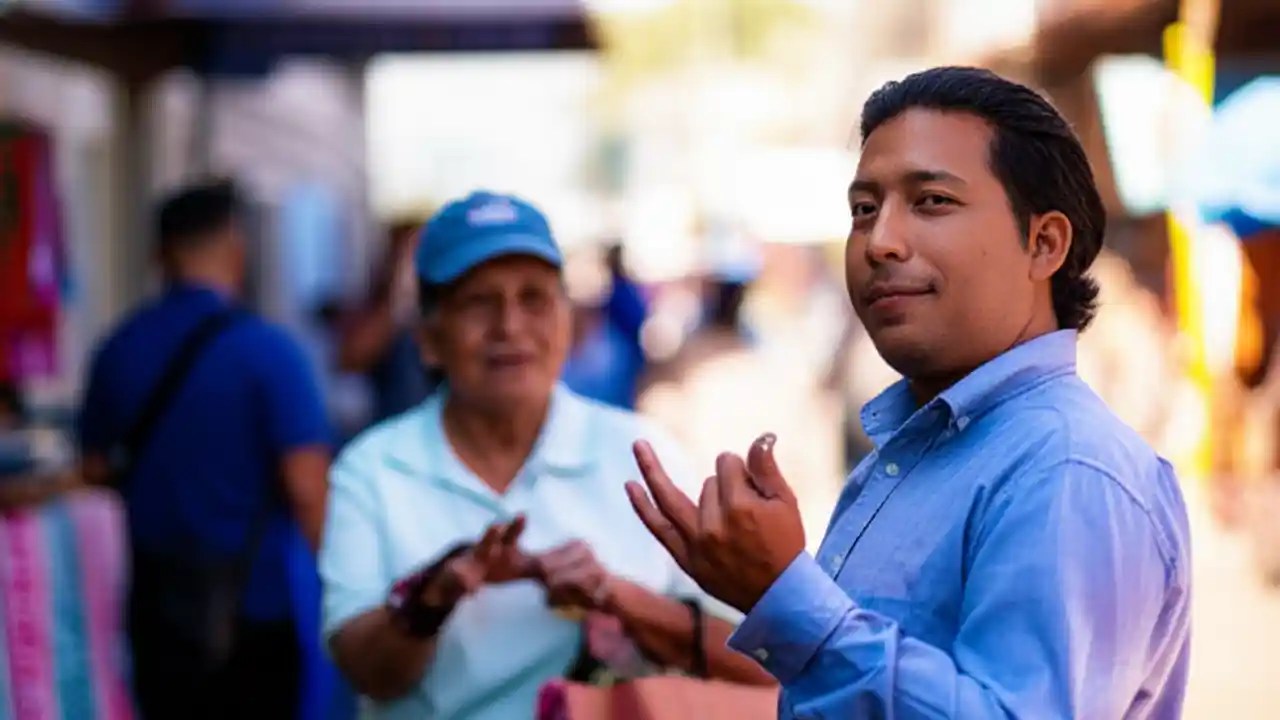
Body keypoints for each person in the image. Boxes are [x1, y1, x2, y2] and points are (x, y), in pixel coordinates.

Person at [626, 67, 1192, 719]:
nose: (880, 242)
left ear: (1044, 244)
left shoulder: (1066, 470)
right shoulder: (920, 450)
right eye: (864, 210)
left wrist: (786, 594)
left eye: (931, 202)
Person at [319, 190, 772, 720]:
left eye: (534, 298)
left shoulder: (642, 456)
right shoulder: (373, 470)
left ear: (567, 320)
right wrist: (431, 599)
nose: (510, 327)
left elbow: (758, 661)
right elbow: (365, 670)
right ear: (428, 339)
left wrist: (618, 598)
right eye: (478, 303)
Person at [79, 179, 332, 719]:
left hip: (152, 608)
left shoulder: (116, 349)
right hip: (254, 608)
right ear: (236, 250)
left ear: (158, 254)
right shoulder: (270, 353)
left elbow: (93, 470)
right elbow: (308, 488)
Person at [334, 221, 438, 426]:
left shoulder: (453, 313)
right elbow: (351, 360)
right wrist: (400, 297)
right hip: (392, 433)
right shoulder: (378, 311)